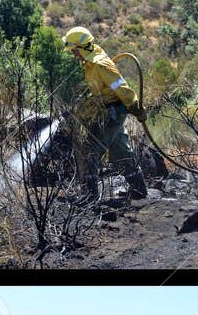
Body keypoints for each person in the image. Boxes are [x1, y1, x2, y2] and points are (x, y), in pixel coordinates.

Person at [61, 26, 147, 199]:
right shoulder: (91, 62)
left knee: (90, 151)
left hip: (113, 113)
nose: (73, 54)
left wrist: (135, 107)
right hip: (109, 111)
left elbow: (120, 87)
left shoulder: (100, 64)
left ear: (83, 47)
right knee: (120, 151)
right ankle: (139, 191)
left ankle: (89, 197)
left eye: (74, 50)